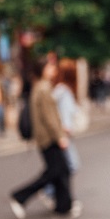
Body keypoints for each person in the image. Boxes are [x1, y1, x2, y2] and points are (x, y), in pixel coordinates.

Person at [9, 57, 81, 219]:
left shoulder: (39, 87)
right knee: (55, 171)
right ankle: (20, 196)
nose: (53, 69)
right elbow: (50, 117)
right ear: (42, 69)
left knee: (61, 170)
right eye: (50, 67)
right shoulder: (44, 88)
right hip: (49, 138)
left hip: (45, 137)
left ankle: (63, 206)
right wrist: (60, 136)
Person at [40, 58, 84, 208]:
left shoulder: (58, 89)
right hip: (63, 136)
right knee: (70, 165)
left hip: (59, 135)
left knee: (63, 167)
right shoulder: (64, 92)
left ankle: (60, 196)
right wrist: (66, 132)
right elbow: (65, 119)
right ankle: (50, 191)